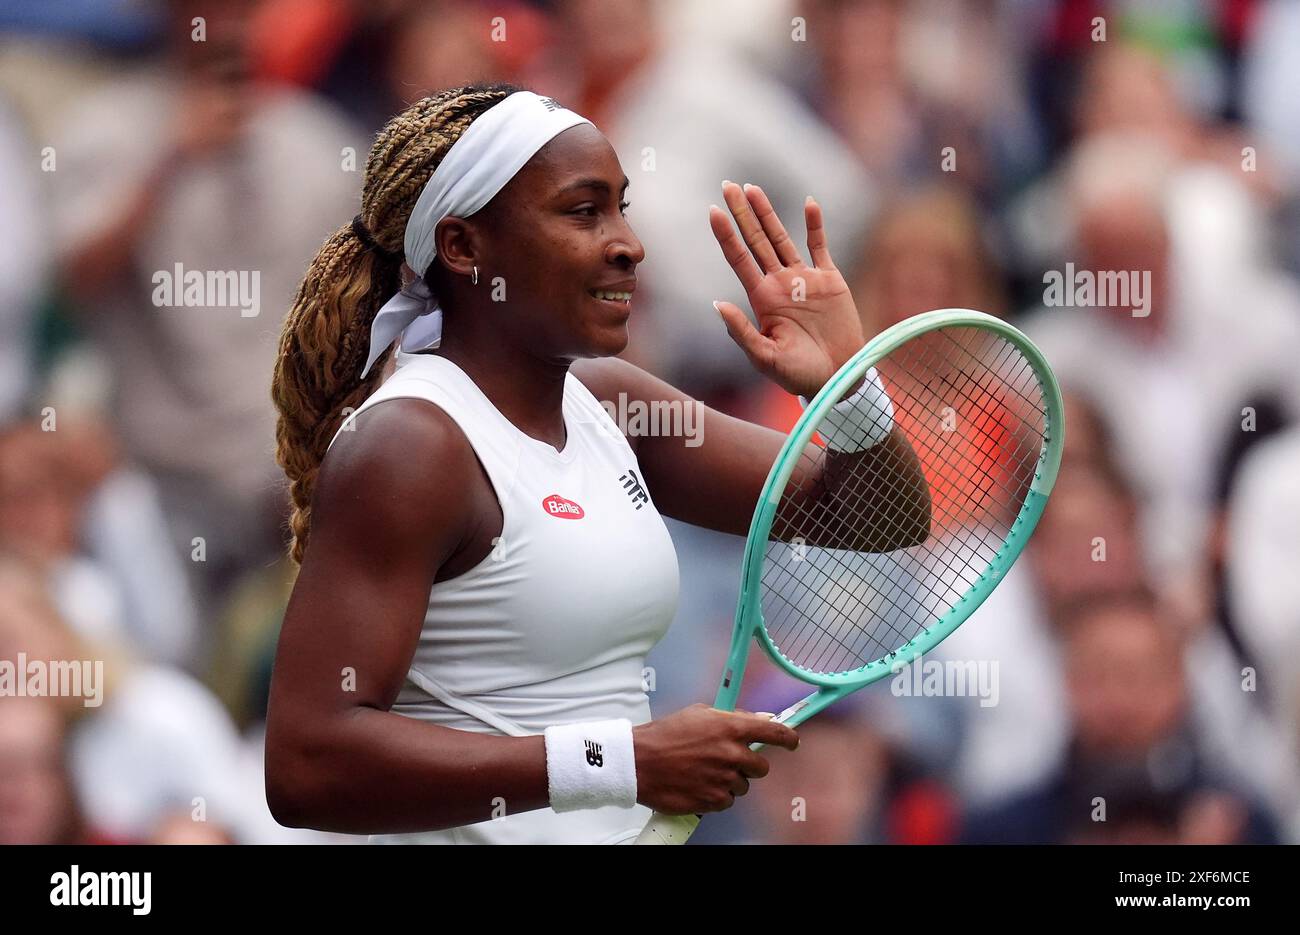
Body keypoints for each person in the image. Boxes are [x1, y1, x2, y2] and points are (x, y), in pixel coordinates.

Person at [265, 84, 930, 844]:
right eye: (583, 211)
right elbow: (307, 765)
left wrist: (846, 385)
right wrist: (620, 764)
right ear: (463, 247)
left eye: (621, 206)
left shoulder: (613, 406)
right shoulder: (412, 446)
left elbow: (878, 519)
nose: (629, 243)